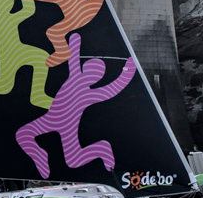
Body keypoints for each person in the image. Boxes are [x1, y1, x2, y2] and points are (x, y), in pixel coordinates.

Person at [15, 33, 135, 178]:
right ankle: (40, 154)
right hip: (51, 118)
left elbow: (115, 88)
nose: (92, 74)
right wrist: (75, 40)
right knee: (23, 134)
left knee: (73, 160)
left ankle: (102, 148)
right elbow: (75, 58)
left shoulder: (90, 91)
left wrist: (128, 70)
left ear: (97, 77)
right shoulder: (76, 76)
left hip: (68, 126)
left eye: (95, 73)